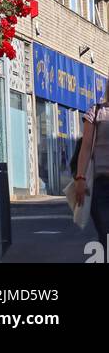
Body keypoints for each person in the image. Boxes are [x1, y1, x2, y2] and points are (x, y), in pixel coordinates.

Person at [74, 83, 109, 249]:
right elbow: (86, 147)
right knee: (106, 233)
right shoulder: (96, 112)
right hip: (101, 185)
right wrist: (80, 178)